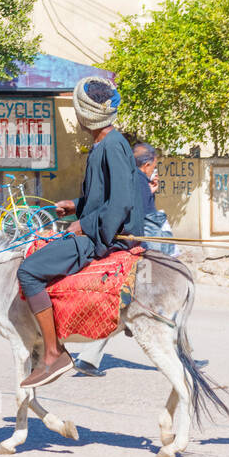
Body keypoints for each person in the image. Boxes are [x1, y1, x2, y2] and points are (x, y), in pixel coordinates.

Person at [15, 77, 142, 389]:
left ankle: (54, 353)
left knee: (28, 271)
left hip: (99, 238)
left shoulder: (112, 146)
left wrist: (84, 225)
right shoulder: (106, 144)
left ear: (87, 115)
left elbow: (122, 202)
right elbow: (104, 198)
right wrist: (76, 204)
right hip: (95, 228)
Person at [75, 141, 176, 377]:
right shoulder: (136, 182)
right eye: (154, 166)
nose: (154, 171)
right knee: (138, 304)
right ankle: (183, 355)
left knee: (123, 305)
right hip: (140, 252)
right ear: (148, 164)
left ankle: (88, 357)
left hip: (131, 252)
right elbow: (137, 216)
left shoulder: (136, 181)